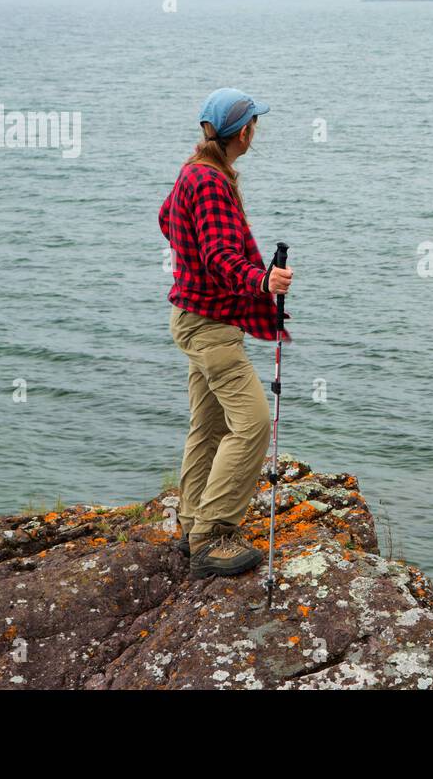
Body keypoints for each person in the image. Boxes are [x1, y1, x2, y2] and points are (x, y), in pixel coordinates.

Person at [157, 88, 293, 579]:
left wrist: (194, 257)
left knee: (209, 426)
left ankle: (192, 522)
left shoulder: (194, 170)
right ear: (245, 132)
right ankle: (212, 537)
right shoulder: (210, 182)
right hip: (211, 326)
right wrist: (262, 280)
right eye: (256, 124)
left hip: (194, 317)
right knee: (253, 423)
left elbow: (165, 219)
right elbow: (217, 255)